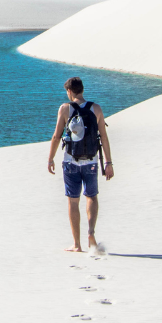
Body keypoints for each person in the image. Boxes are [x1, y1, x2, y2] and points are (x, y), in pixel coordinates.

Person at [47, 76, 114, 252]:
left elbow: (56, 136)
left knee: (73, 202)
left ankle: (77, 244)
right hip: (91, 162)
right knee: (91, 197)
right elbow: (104, 138)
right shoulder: (96, 108)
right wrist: (108, 162)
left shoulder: (65, 109)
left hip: (71, 162)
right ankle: (91, 231)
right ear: (82, 90)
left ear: (70, 91)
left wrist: (50, 158)